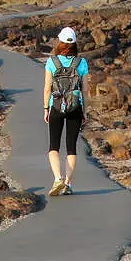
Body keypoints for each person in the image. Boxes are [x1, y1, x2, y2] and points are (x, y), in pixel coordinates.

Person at [42, 26, 89, 196]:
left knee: (54, 145)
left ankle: (57, 179)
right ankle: (68, 184)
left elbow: (47, 88)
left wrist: (46, 108)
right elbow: (85, 90)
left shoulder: (51, 62)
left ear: (60, 42)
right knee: (71, 147)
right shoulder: (81, 63)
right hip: (75, 107)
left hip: (56, 105)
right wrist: (85, 111)